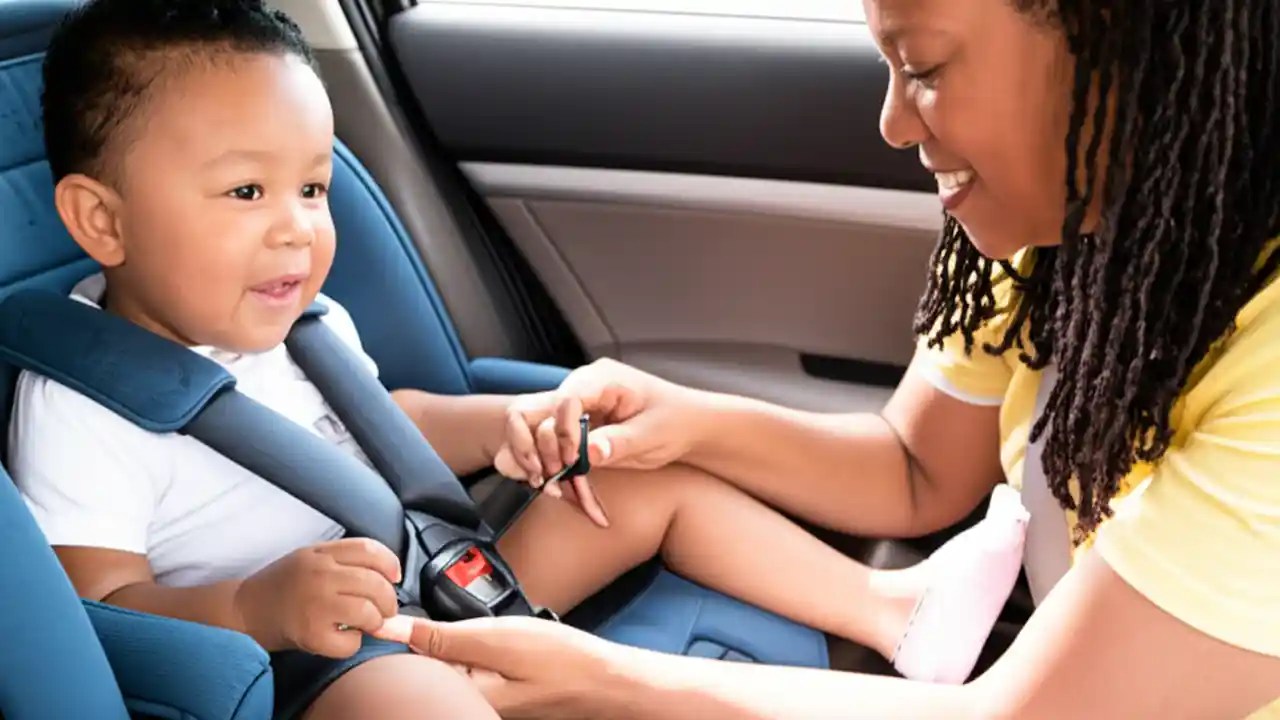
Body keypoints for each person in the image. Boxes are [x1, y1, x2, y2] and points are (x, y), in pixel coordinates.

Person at [10, 1, 1034, 718]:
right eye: (246, 195)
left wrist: (498, 431)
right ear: (100, 220)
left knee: (640, 478)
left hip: (449, 578)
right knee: (400, 696)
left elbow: (379, 417)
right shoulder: (82, 405)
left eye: (313, 190)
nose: (296, 232)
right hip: (313, 663)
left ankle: (895, 613)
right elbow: (99, 611)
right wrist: (253, 607)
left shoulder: (300, 319)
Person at [374, 0, 1280, 717]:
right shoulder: (1064, 230)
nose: (889, 121)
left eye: (923, 69)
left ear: (1117, 42)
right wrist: (686, 418)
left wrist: (613, 685)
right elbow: (916, 467)